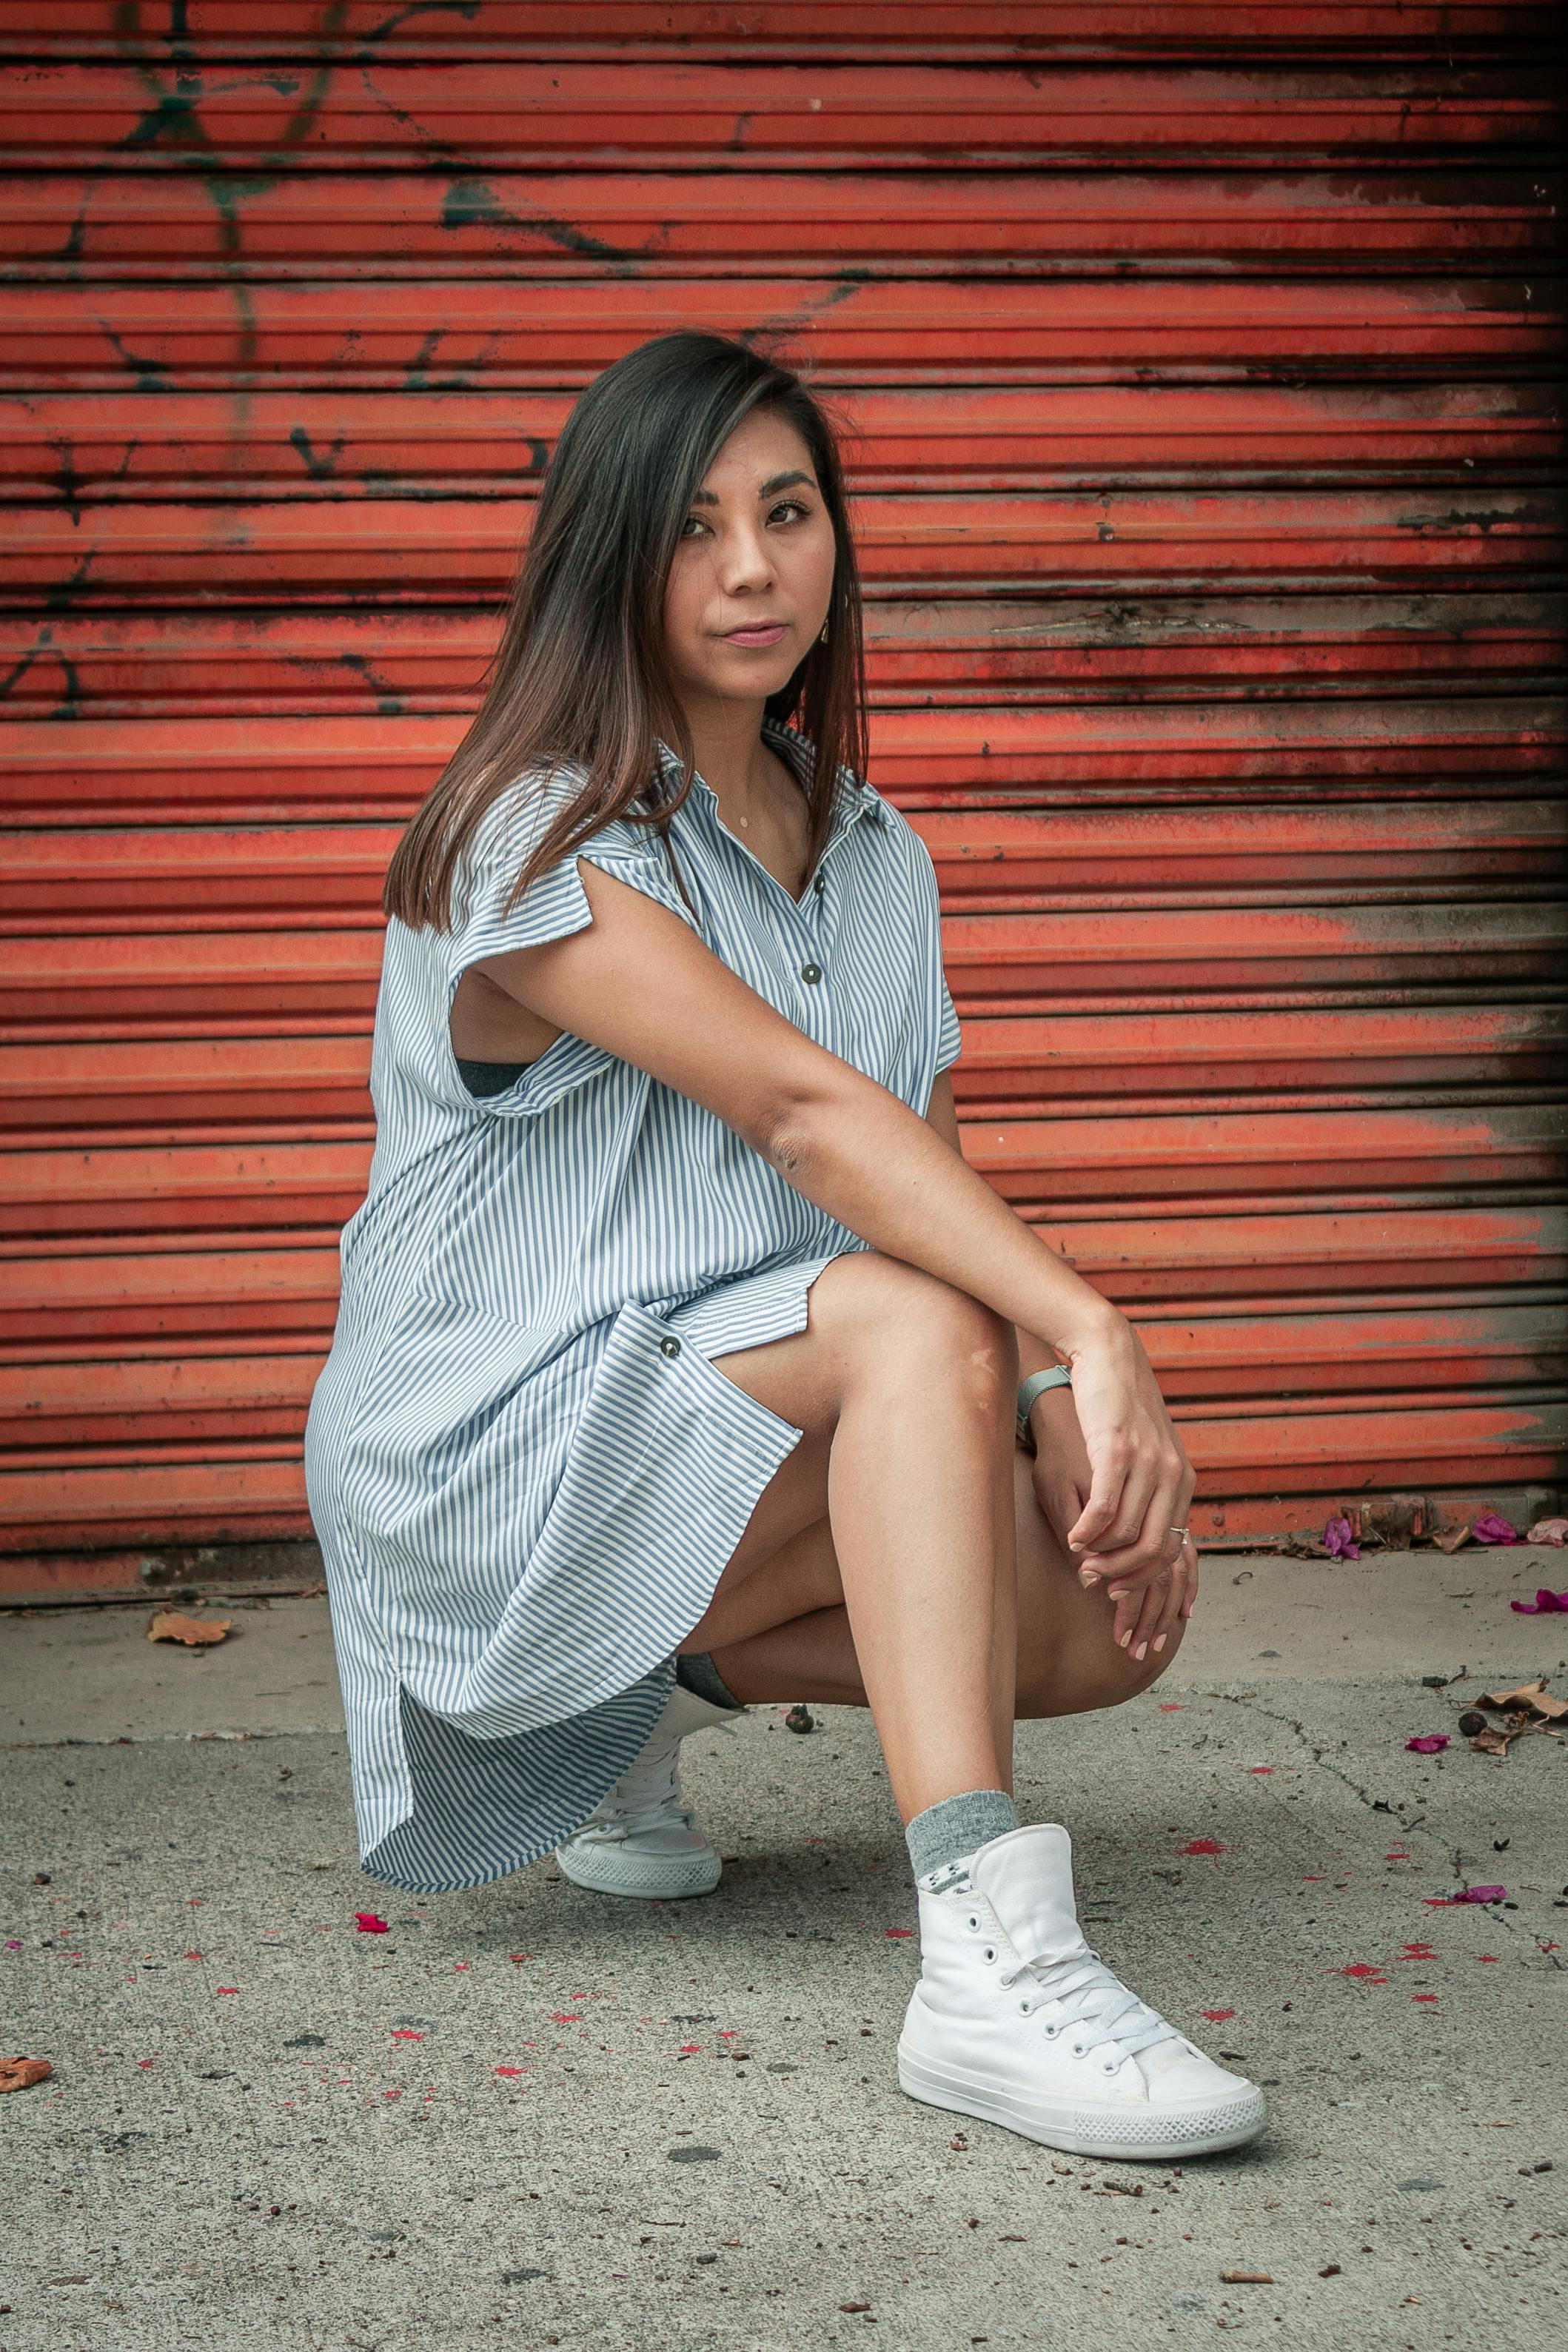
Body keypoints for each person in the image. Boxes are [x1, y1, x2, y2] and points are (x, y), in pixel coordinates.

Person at [304, 329, 1266, 2165]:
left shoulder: (875, 850)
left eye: (789, 511)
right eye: (692, 528)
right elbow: (807, 1122)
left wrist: (1053, 1379)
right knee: (911, 1327)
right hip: (488, 1466)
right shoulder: (533, 831)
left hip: (713, 1410)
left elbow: (918, 1152)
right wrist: (1093, 1319)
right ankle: (987, 1959)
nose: (753, 567)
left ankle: (640, 1701)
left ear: (834, 542)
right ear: (610, 561)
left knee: (1090, 1617)